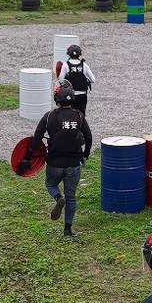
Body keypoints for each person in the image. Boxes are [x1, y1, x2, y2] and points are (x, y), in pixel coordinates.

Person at [18, 81, 92, 237]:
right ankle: (68, 230)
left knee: (50, 184)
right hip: (73, 164)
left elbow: (36, 139)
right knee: (71, 196)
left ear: (56, 98)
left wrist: (27, 158)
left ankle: (58, 198)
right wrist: (85, 154)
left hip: (54, 162)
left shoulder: (49, 116)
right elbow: (89, 137)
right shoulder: (79, 115)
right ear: (72, 98)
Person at [56, 44, 96, 113]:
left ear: (69, 54)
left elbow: (61, 80)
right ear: (79, 54)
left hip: (70, 95)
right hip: (82, 95)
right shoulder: (84, 65)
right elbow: (93, 80)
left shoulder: (66, 65)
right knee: (81, 115)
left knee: (70, 115)